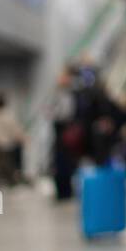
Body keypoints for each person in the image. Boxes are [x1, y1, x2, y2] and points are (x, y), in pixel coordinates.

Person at [0, 92, 26, 186]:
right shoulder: (8, 115)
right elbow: (15, 130)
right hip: (6, 147)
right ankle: (11, 183)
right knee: (8, 168)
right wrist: (23, 138)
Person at [51, 69, 78, 200]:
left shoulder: (71, 94)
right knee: (60, 163)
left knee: (67, 163)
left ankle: (67, 190)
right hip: (60, 130)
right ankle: (61, 191)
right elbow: (53, 113)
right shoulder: (57, 95)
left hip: (68, 131)